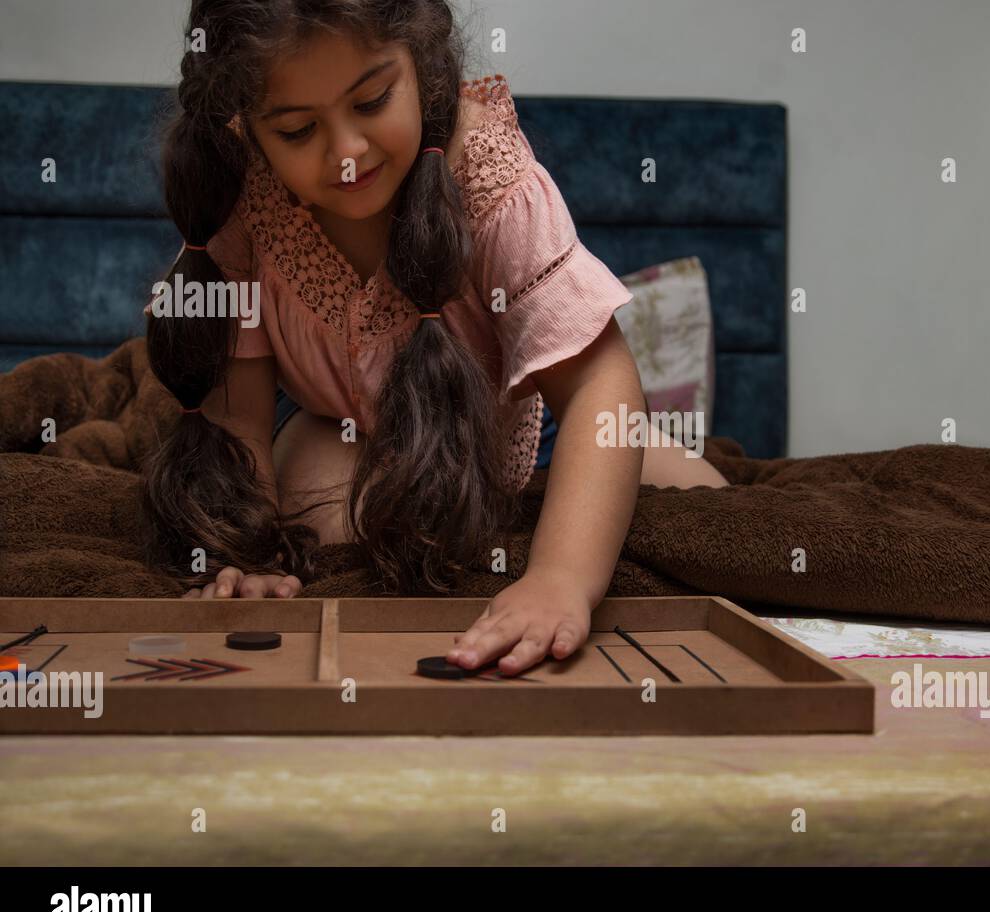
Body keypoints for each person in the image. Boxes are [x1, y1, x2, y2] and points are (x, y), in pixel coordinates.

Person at [141, 0, 728, 675]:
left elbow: (599, 382)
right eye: (299, 130)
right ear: (247, 130)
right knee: (331, 515)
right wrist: (241, 558)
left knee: (698, 504)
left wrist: (563, 577)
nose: (348, 152)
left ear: (419, 63)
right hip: (347, 431)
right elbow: (237, 411)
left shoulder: (486, 175)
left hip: (509, 443)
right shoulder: (245, 199)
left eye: (372, 101)